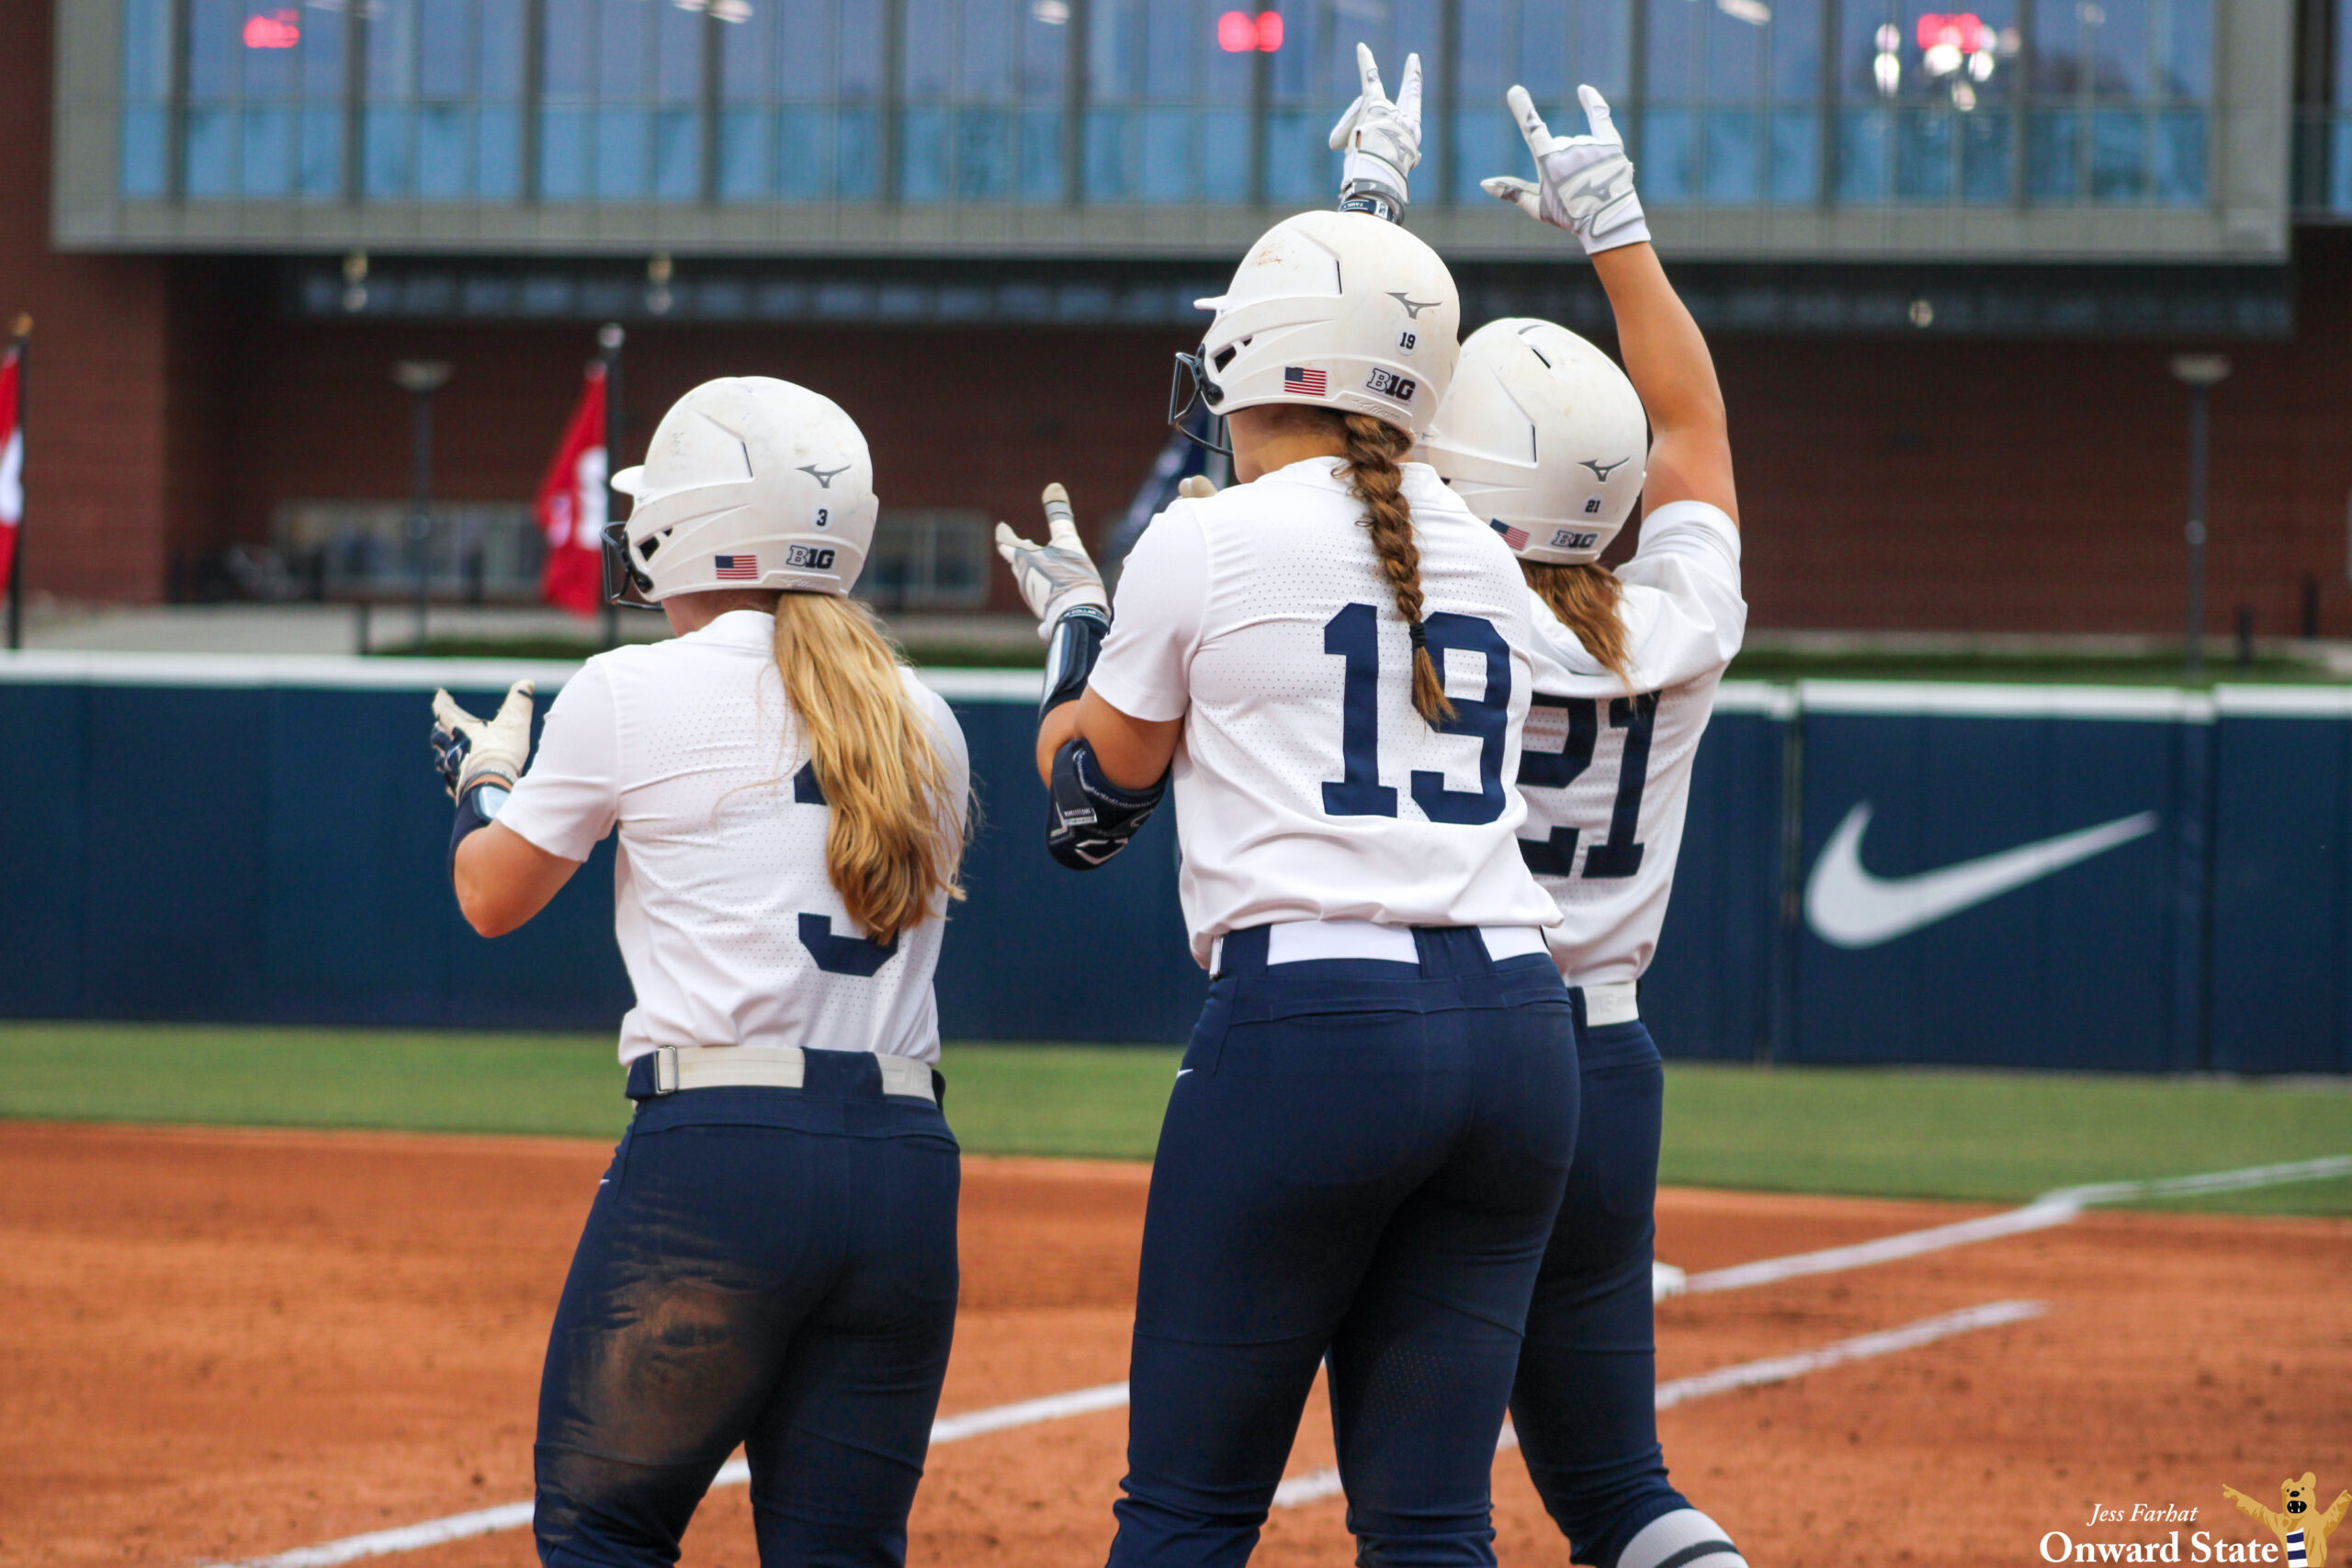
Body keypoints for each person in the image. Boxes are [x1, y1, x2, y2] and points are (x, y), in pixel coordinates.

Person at [994, 196, 1579, 1566]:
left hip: (1317, 1028)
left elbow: (1089, 806)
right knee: (1433, 1522)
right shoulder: (1486, 546)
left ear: (1260, 357)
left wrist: (1077, 631)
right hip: (1517, 1028)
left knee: (1188, 1514)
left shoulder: (1203, 539)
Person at [425, 377, 970, 1568]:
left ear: (698, 528)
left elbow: (489, 897)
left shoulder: (632, 687)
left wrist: (484, 782)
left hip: (722, 1158)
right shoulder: (926, 716)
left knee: (603, 1535)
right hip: (905, 1167)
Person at [1416, 84, 1751, 1568]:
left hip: (1446, 1036)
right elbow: (1692, 422)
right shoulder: (1684, 618)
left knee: (1420, 1496)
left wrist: (1367, 224)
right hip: (1607, 1056)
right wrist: (1616, 231)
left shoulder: (1412, 604)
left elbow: (1326, 470)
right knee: (1622, 1489)